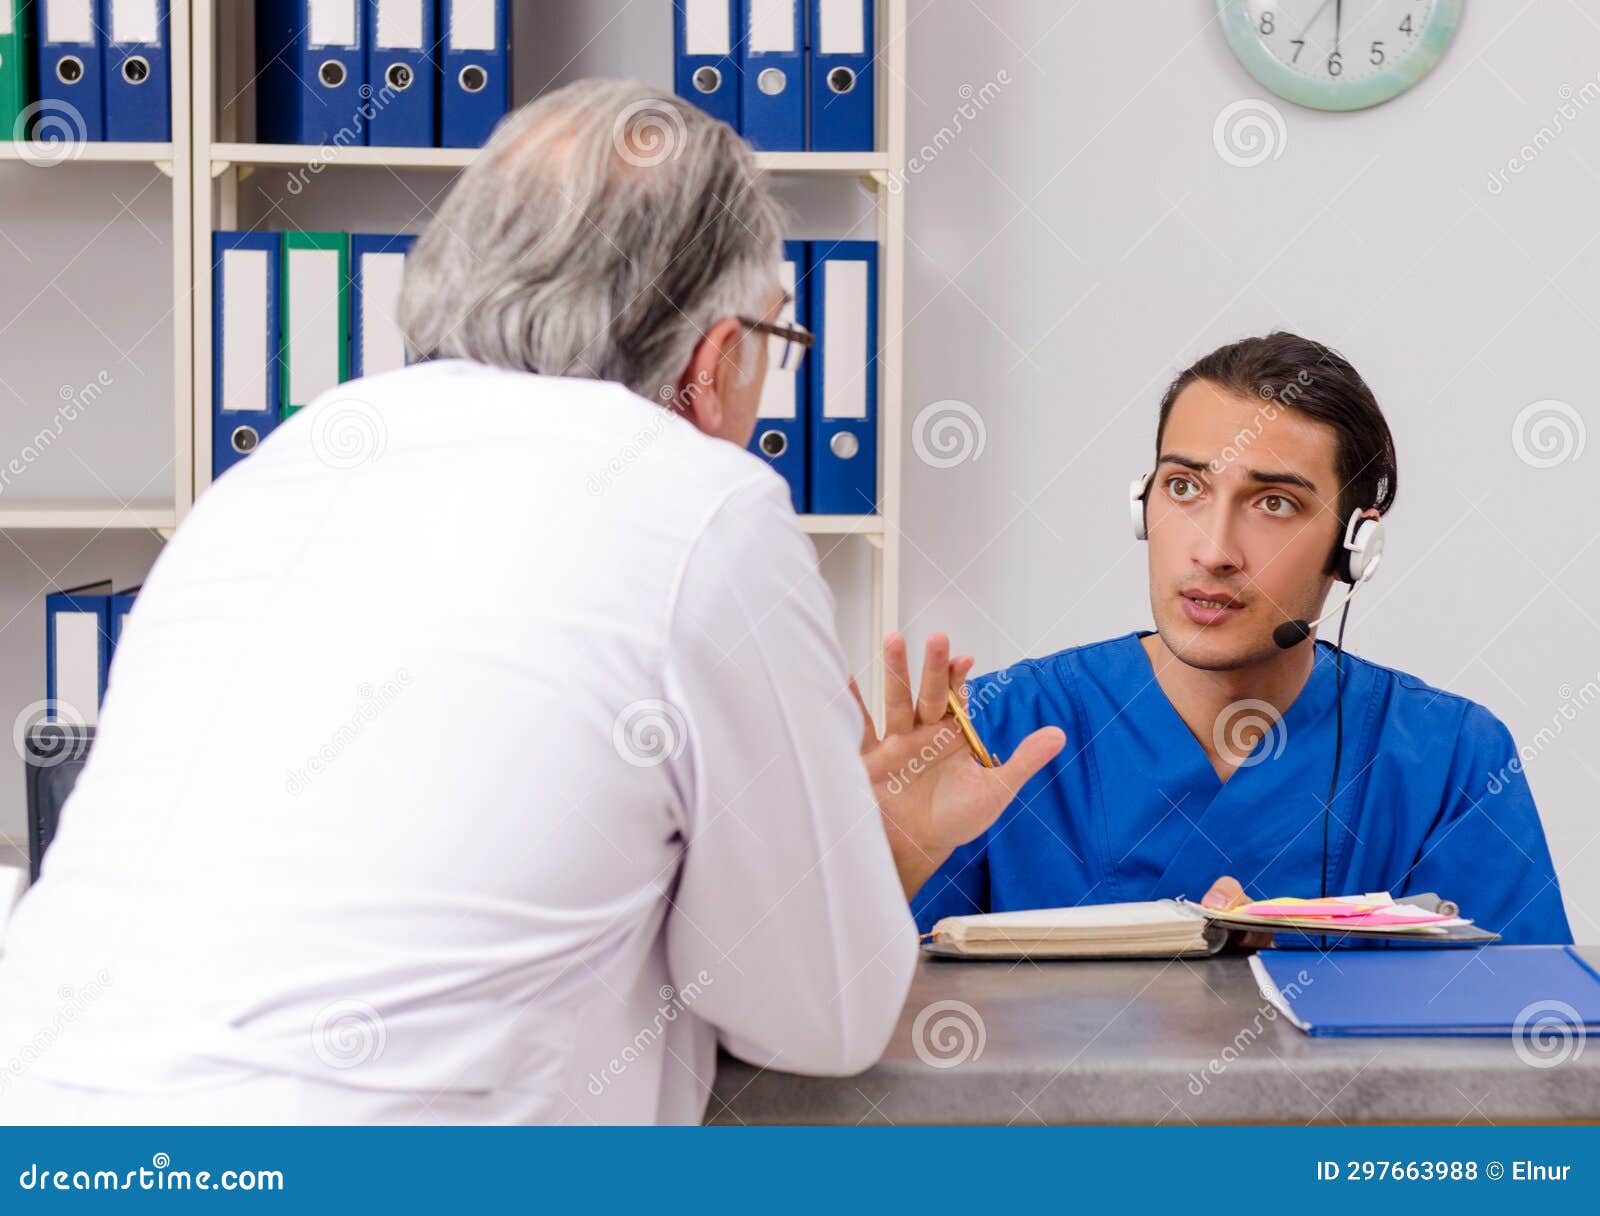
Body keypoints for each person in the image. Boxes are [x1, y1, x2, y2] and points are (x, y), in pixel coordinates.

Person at [0, 79, 1061, 1125]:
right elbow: (819, 1019)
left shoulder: (290, 463)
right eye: (776, 345)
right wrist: (868, 850)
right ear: (717, 357)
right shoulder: (704, 504)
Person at [905, 333, 1571, 946]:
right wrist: (888, 852)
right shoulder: (991, 729)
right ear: (1143, 507)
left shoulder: (1451, 759)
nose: (1213, 551)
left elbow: (1518, 1052)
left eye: (1274, 502)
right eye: (1185, 487)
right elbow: (875, 1036)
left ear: (1353, 547)